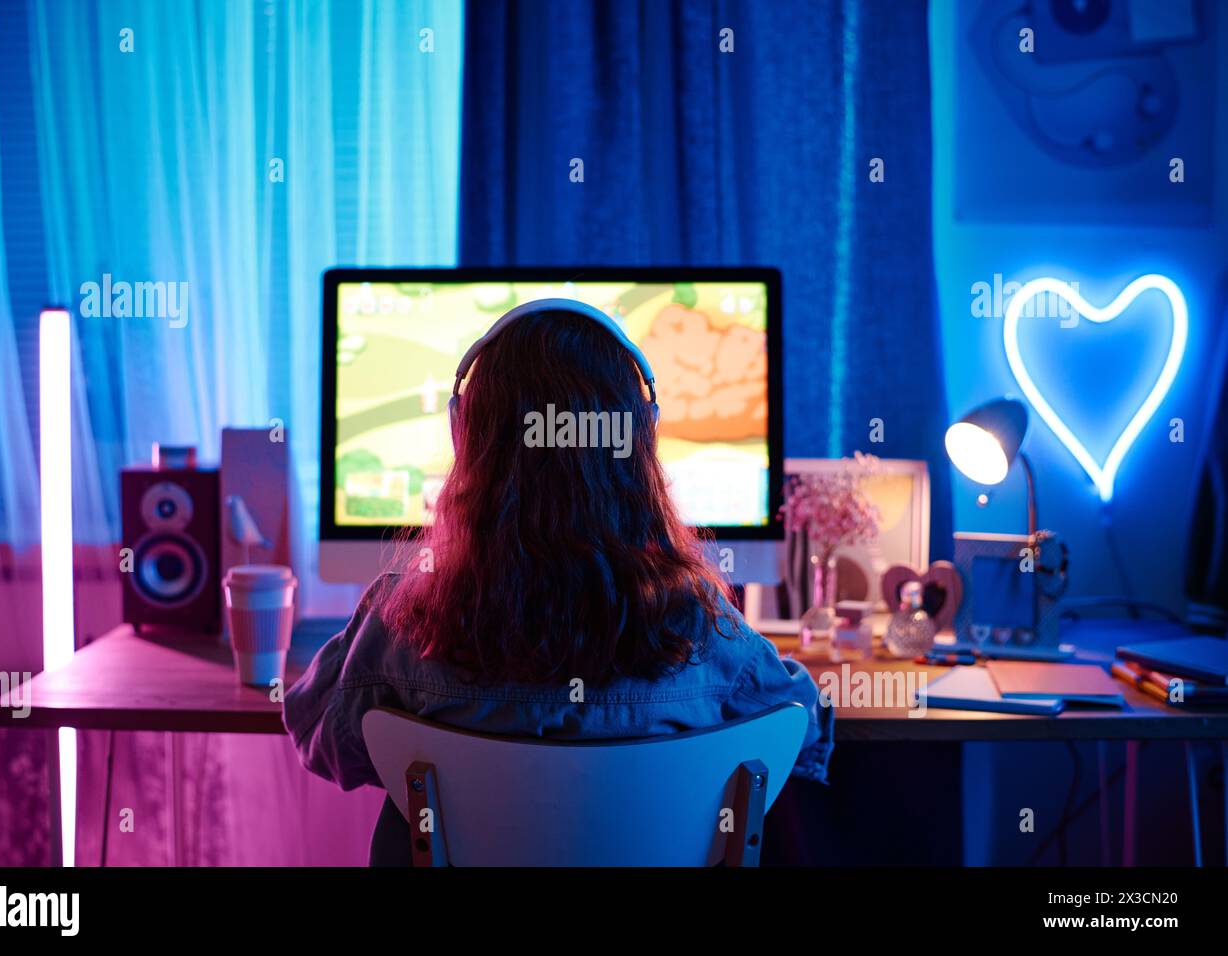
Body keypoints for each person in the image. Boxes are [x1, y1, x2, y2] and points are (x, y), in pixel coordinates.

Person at [284, 300, 831, 863]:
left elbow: (317, 737)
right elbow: (799, 726)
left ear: (463, 433)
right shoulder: (697, 620)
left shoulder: (404, 617)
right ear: (643, 438)